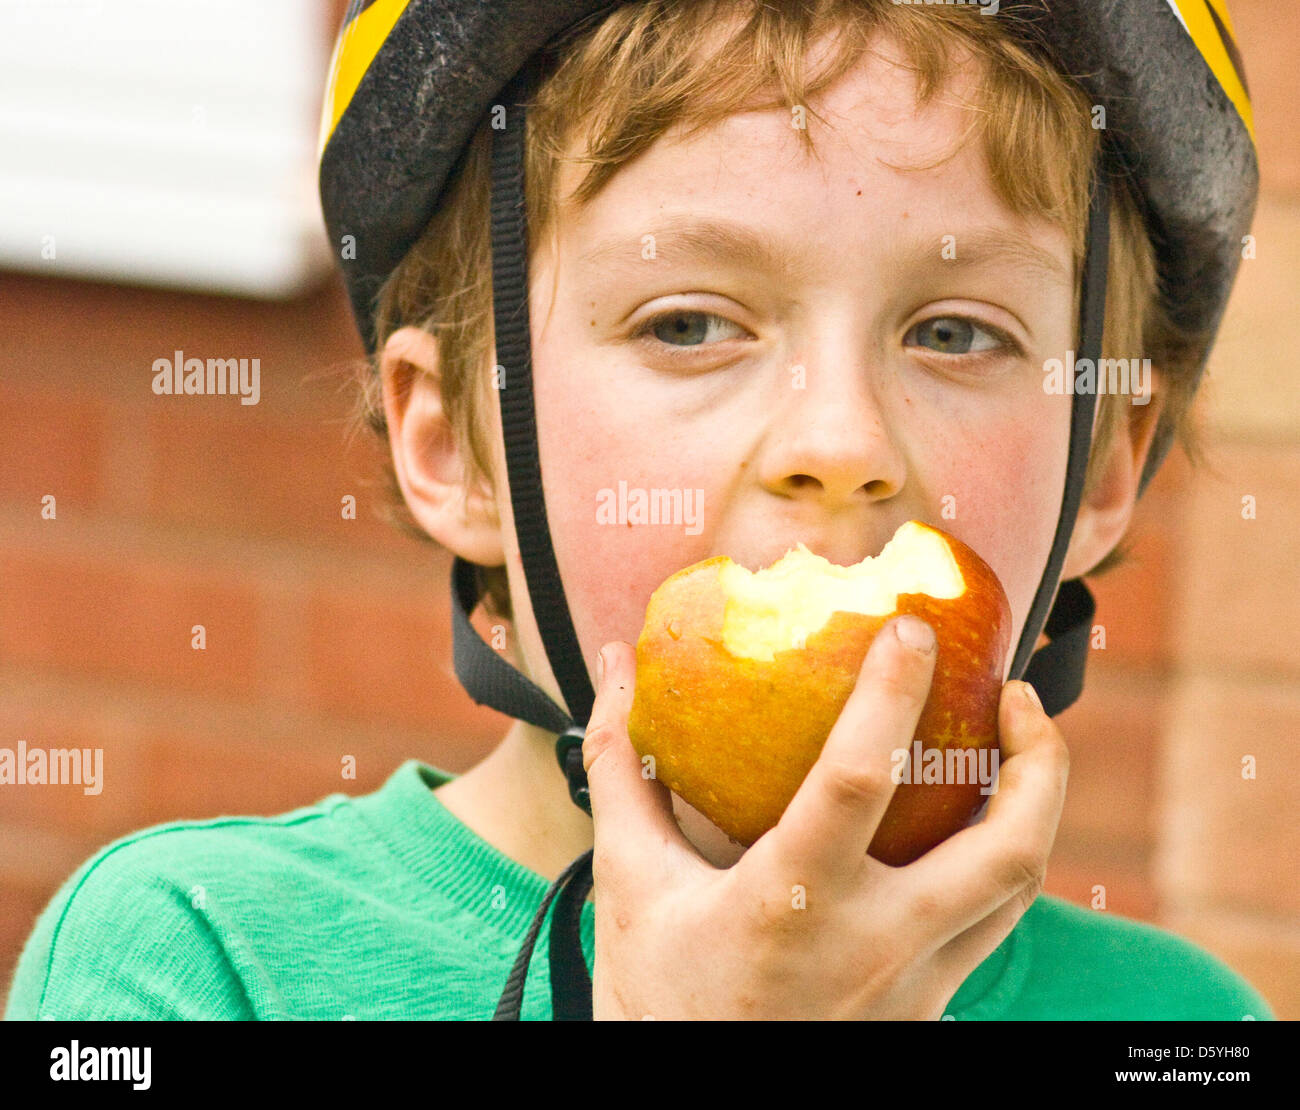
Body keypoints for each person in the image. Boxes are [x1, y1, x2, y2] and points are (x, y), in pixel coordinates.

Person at [4, 0, 1274, 1020]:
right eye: (687, 324)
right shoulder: (195, 962)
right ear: (451, 449)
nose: (839, 445)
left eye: (954, 331)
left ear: (1107, 466)